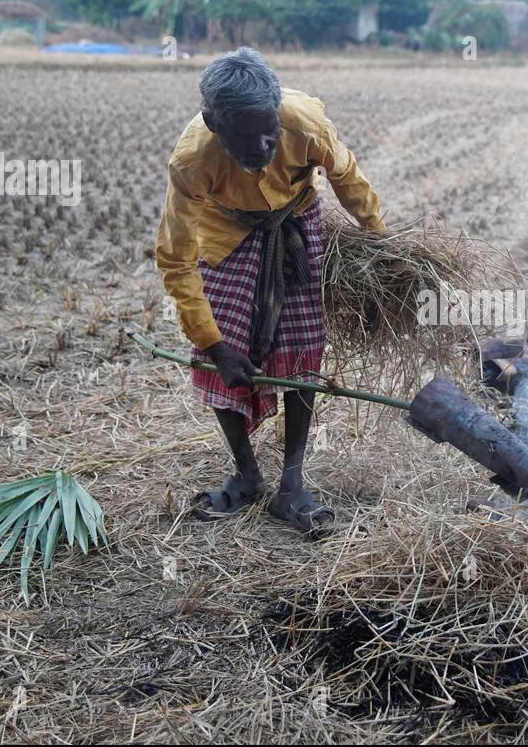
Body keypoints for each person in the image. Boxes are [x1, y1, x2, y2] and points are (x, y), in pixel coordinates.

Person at [155, 47, 385, 532]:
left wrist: (379, 239)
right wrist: (214, 346)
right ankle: (246, 475)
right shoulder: (193, 161)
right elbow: (175, 258)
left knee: (302, 351)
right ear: (215, 125)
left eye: (270, 132)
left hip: (295, 224)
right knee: (222, 356)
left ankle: (292, 485)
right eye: (247, 138)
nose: (263, 146)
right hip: (226, 234)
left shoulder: (304, 122)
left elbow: (346, 176)